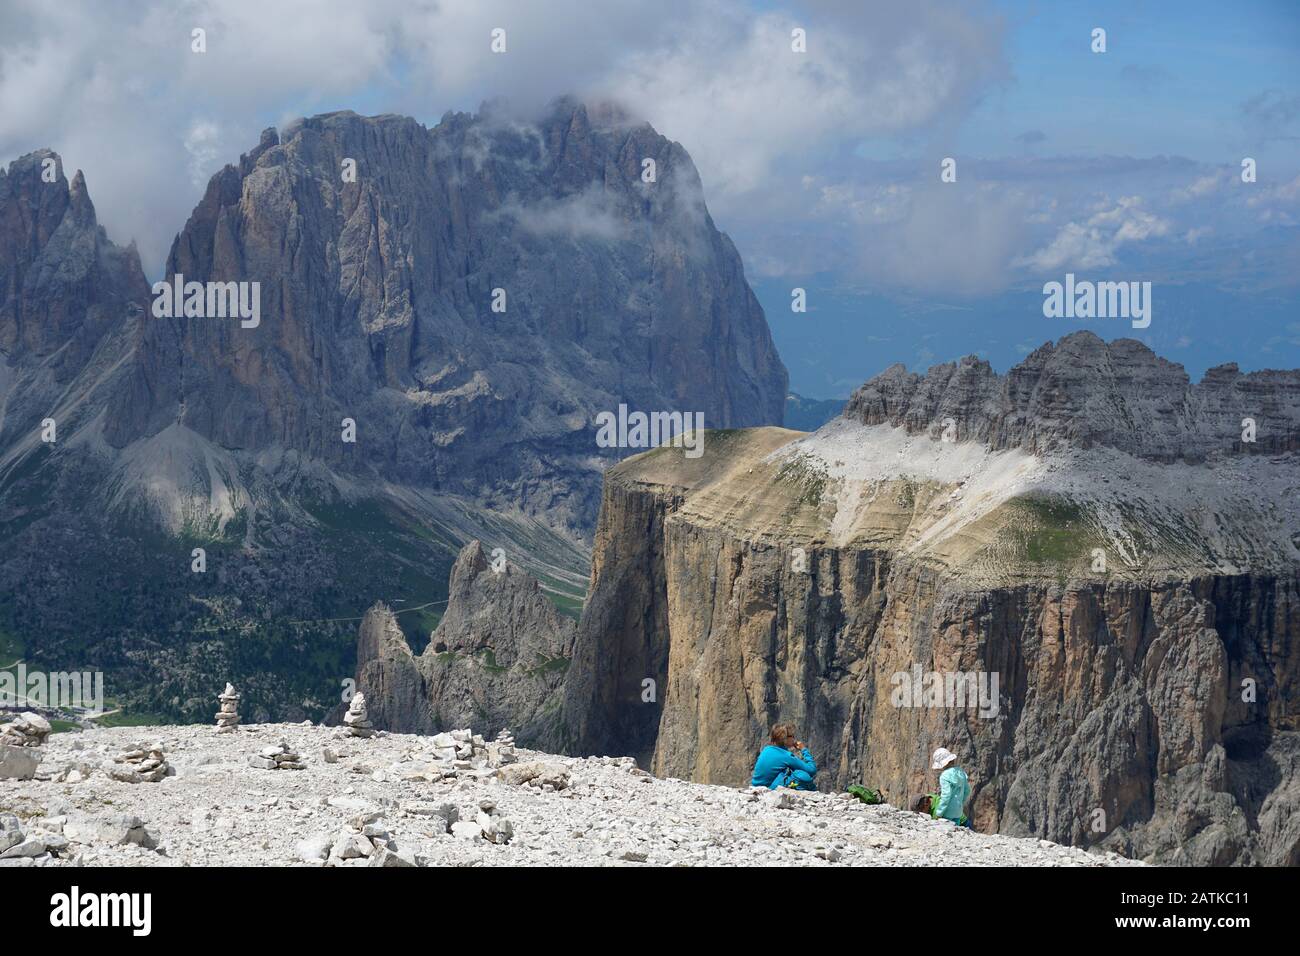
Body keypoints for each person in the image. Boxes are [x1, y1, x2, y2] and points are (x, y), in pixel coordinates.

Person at [751, 723, 818, 791]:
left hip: (756, 787)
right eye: (792, 736)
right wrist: (803, 749)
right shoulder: (786, 756)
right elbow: (812, 770)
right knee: (803, 775)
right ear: (785, 738)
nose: (794, 738)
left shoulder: (766, 749)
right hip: (768, 788)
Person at [930, 747, 972, 827]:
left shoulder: (944, 776)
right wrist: (960, 802)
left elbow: (946, 796)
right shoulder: (961, 772)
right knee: (955, 831)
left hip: (947, 812)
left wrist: (939, 813)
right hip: (958, 812)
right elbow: (967, 791)